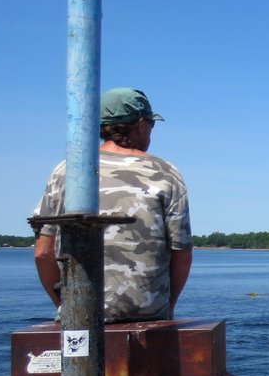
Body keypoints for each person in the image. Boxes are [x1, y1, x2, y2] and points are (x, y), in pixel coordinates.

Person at [33, 88, 193, 322]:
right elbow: (182, 253)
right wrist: (167, 309)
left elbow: (42, 253)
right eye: (151, 124)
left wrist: (65, 306)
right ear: (140, 124)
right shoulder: (166, 174)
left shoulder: (66, 171)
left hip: (79, 312)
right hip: (148, 314)